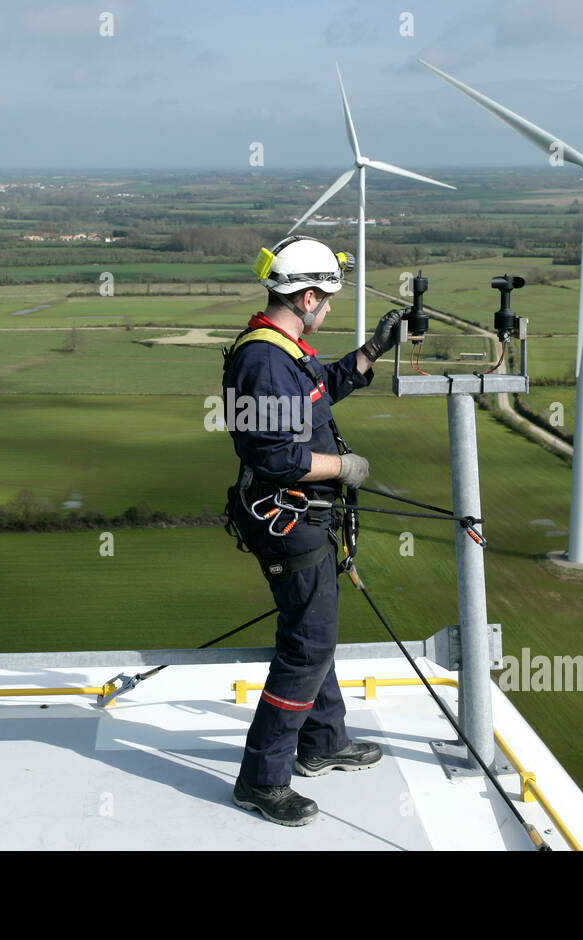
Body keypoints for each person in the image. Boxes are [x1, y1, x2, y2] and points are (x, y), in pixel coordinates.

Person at [221, 234, 404, 826]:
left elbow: (319, 388)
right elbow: (276, 455)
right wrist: (343, 467)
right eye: (324, 301)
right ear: (304, 297)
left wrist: (371, 352)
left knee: (313, 631)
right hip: (286, 517)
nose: (327, 311)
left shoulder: (283, 349)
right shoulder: (263, 360)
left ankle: (323, 741)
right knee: (307, 645)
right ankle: (261, 778)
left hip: (304, 515)